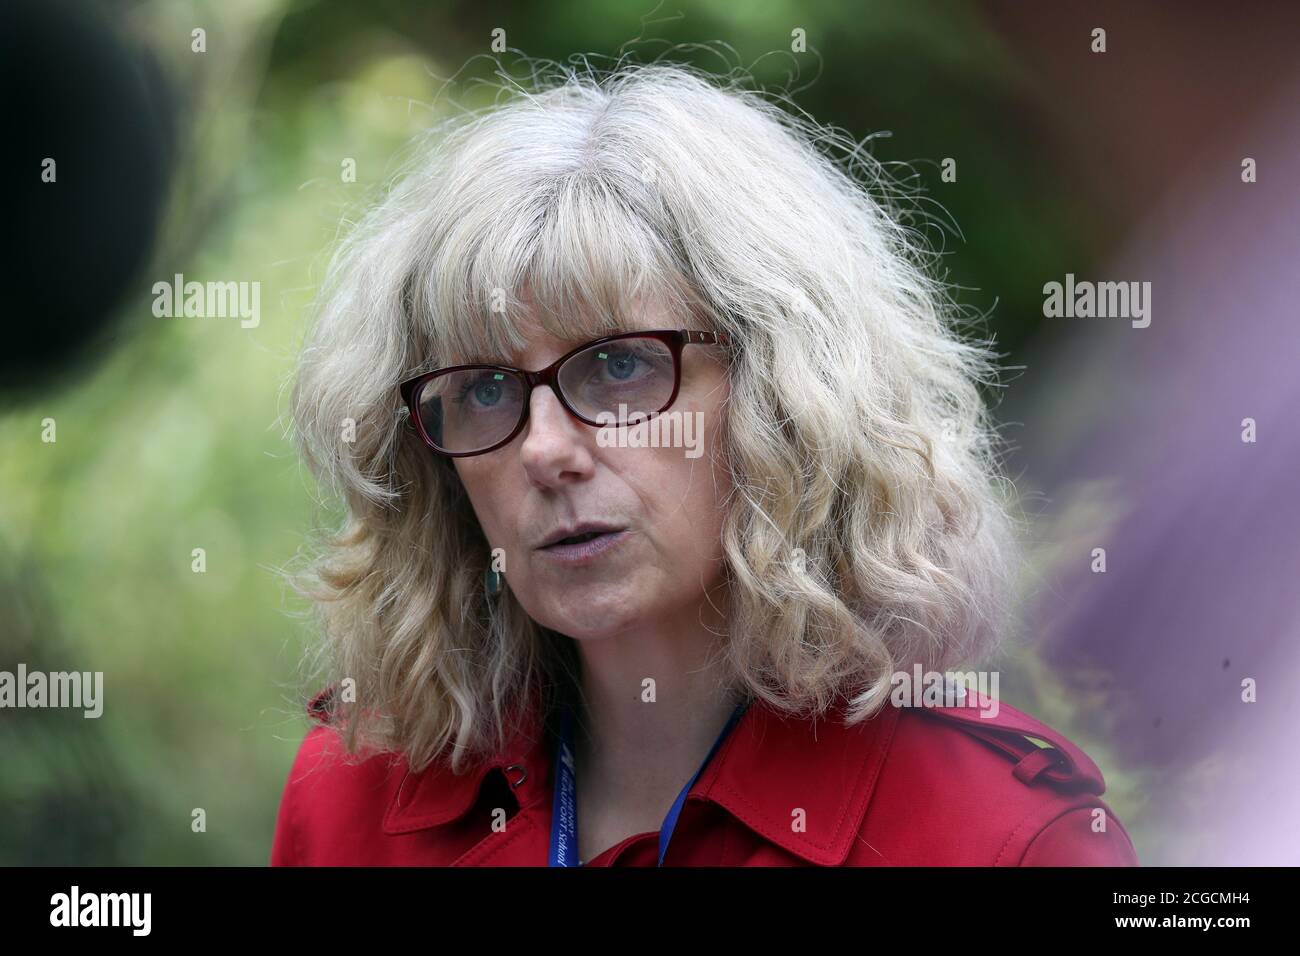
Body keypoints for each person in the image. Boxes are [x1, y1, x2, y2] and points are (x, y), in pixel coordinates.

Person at [270, 61, 1138, 866]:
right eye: (488, 388)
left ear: (786, 395)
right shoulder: (355, 796)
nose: (543, 450)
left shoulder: (1001, 838)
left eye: (618, 366)